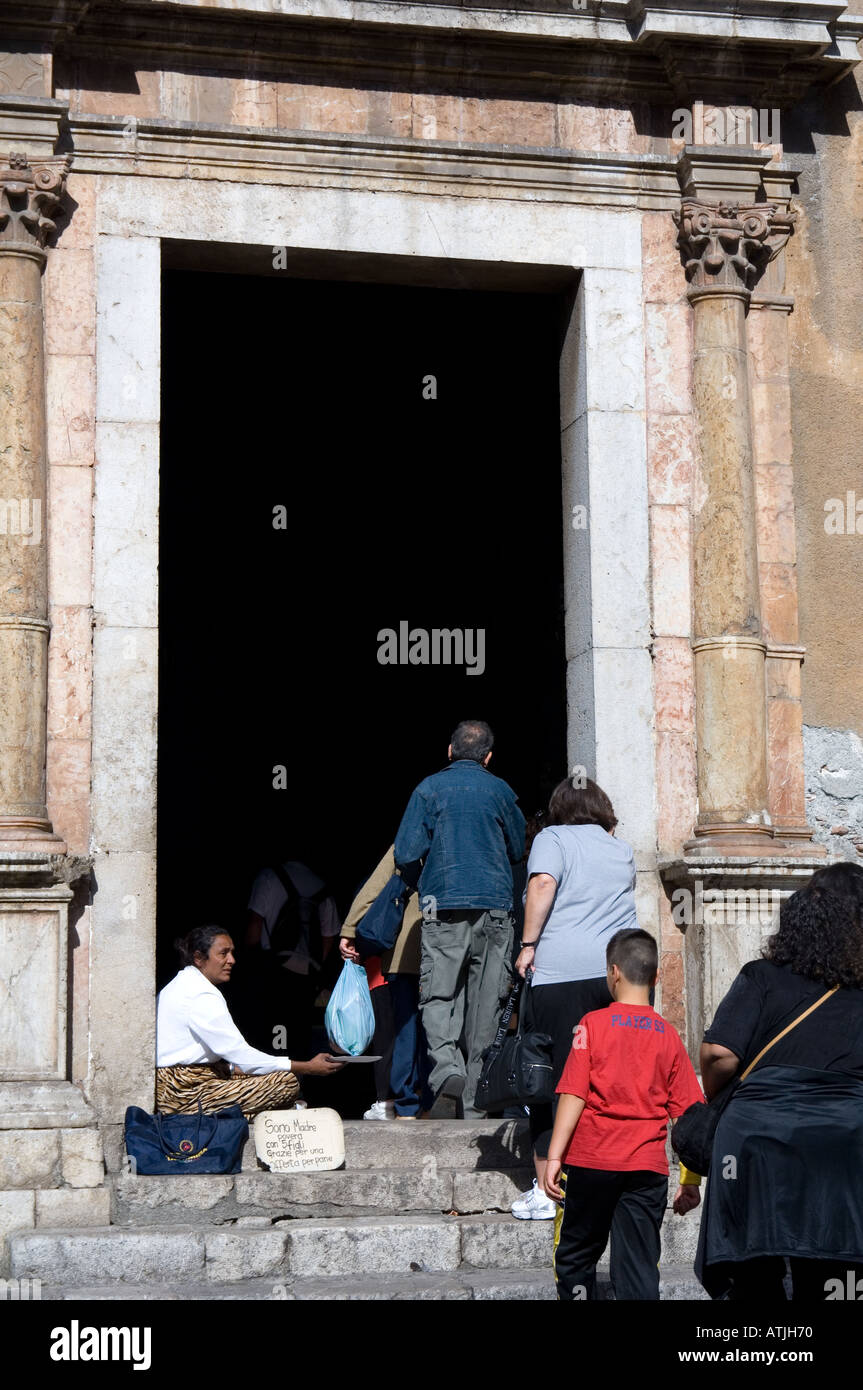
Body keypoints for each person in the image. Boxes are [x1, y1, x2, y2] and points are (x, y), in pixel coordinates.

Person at [695, 861, 863, 1301]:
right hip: (843, 1142)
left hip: (755, 1138)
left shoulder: (761, 975)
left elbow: (720, 1053)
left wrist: (719, 1096)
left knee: (752, 1273)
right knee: (837, 1273)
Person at [544, 928, 704, 1301]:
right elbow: (689, 1116)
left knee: (575, 1258)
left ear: (613, 972)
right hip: (646, 1169)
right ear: (656, 977)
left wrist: (554, 1156)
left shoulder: (591, 1025)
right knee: (639, 1266)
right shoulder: (668, 1036)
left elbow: (573, 1093)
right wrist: (691, 1178)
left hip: (590, 1162)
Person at [510, 775, 638, 1220]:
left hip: (560, 973)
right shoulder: (619, 848)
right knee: (603, 1080)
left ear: (560, 807)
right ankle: (602, 1176)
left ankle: (549, 1187)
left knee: (552, 1080)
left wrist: (527, 944)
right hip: (611, 977)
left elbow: (543, 884)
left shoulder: (552, 837)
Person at [394, 719, 525, 1117]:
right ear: (488, 757)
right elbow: (518, 848)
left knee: (438, 994)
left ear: (449, 751)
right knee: (488, 1004)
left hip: (441, 904)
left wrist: (426, 883)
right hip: (495, 908)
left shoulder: (428, 789)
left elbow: (404, 854)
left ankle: (447, 1071)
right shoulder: (501, 791)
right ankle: (474, 1102)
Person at [156, 926, 345, 1118]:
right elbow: (242, 1056)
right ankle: (245, 1116)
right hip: (184, 1092)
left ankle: (256, 1114)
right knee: (286, 1082)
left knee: (259, 1075)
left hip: (193, 1080)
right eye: (223, 954)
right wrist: (308, 1067)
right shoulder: (200, 994)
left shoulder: (183, 984)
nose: (232, 960)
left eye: (231, 953)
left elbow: (235, 1063)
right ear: (198, 958)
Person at [340, 847, 434, 1119]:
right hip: (445, 948)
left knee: (404, 1031)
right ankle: (431, 1101)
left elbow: (374, 887)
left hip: (405, 953)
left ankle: (404, 1103)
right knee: (436, 1029)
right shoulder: (455, 838)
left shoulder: (407, 843)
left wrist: (349, 929)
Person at [243, 858, 341, 1058]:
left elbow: (254, 927)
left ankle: (276, 1077)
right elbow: (329, 936)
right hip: (307, 972)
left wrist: (249, 960)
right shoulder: (322, 886)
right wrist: (313, 964)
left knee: (274, 1027)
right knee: (299, 1029)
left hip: (273, 966)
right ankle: (297, 1078)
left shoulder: (269, 876)